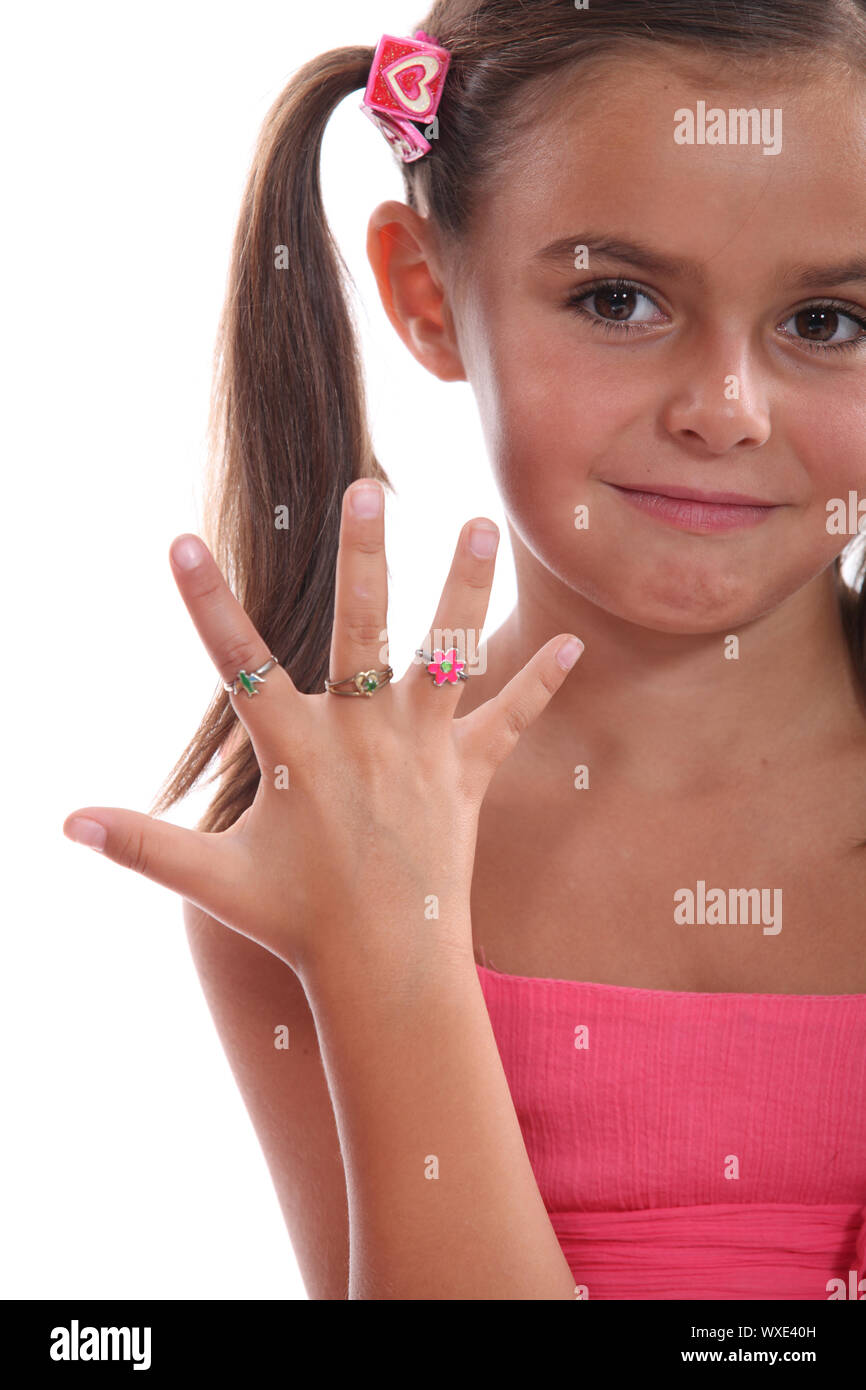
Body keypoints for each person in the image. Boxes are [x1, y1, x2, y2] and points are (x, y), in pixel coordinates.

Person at [63, 0, 866, 1300]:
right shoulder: (308, 854)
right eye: (617, 298)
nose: (725, 409)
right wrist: (388, 947)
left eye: (827, 322)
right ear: (427, 299)